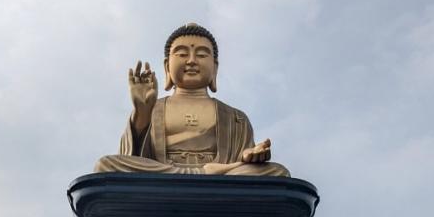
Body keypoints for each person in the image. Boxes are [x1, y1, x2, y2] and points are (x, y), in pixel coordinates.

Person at [95, 23, 290, 176]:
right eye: (181, 54)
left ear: (214, 67)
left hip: (223, 174)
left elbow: (247, 158)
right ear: (167, 66)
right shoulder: (152, 109)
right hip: (163, 173)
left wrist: (251, 157)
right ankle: (211, 174)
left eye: (202, 55)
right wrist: (142, 112)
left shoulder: (235, 117)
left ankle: (215, 172)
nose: (191, 61)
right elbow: (131, 156)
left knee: (276, 172)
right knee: (106, 165)